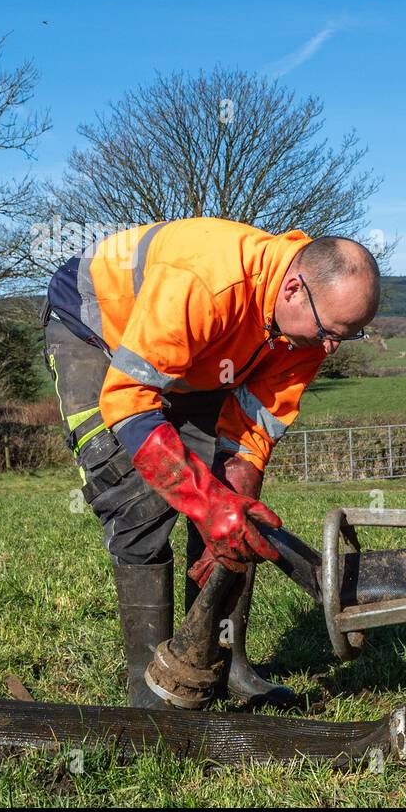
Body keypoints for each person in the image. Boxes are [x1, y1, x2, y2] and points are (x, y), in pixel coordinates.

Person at [41, 218, 379, 708]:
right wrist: (205, 504)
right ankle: (153, 687)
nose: (330, 348)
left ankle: (224, 665)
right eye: (330, 332)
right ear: (292, 289)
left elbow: (251, 434)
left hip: (198, 355)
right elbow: (130, 401)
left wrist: (229, 509)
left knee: (237, 515)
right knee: (137, 502)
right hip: (97, 336)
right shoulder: (206, 281)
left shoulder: (309, 327)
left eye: (347, 337)